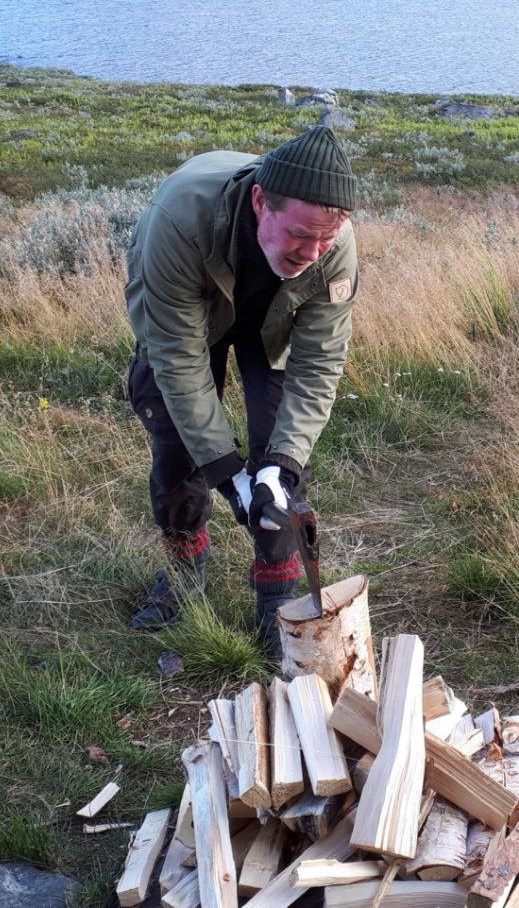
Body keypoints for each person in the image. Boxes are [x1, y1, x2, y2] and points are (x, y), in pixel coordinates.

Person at [122, 125, 358, 652]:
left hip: (272, 321)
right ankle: (185, 571)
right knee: (177, 440)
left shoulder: (332, 246)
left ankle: (278, 603)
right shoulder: (179, 223)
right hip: (192, 313)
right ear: (260, 202)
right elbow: (178, 361)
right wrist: (229, 476)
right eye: (301, 235)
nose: (313, 252)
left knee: (279, 453)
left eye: (325, 239)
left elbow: (318, 366)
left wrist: (279, 467)